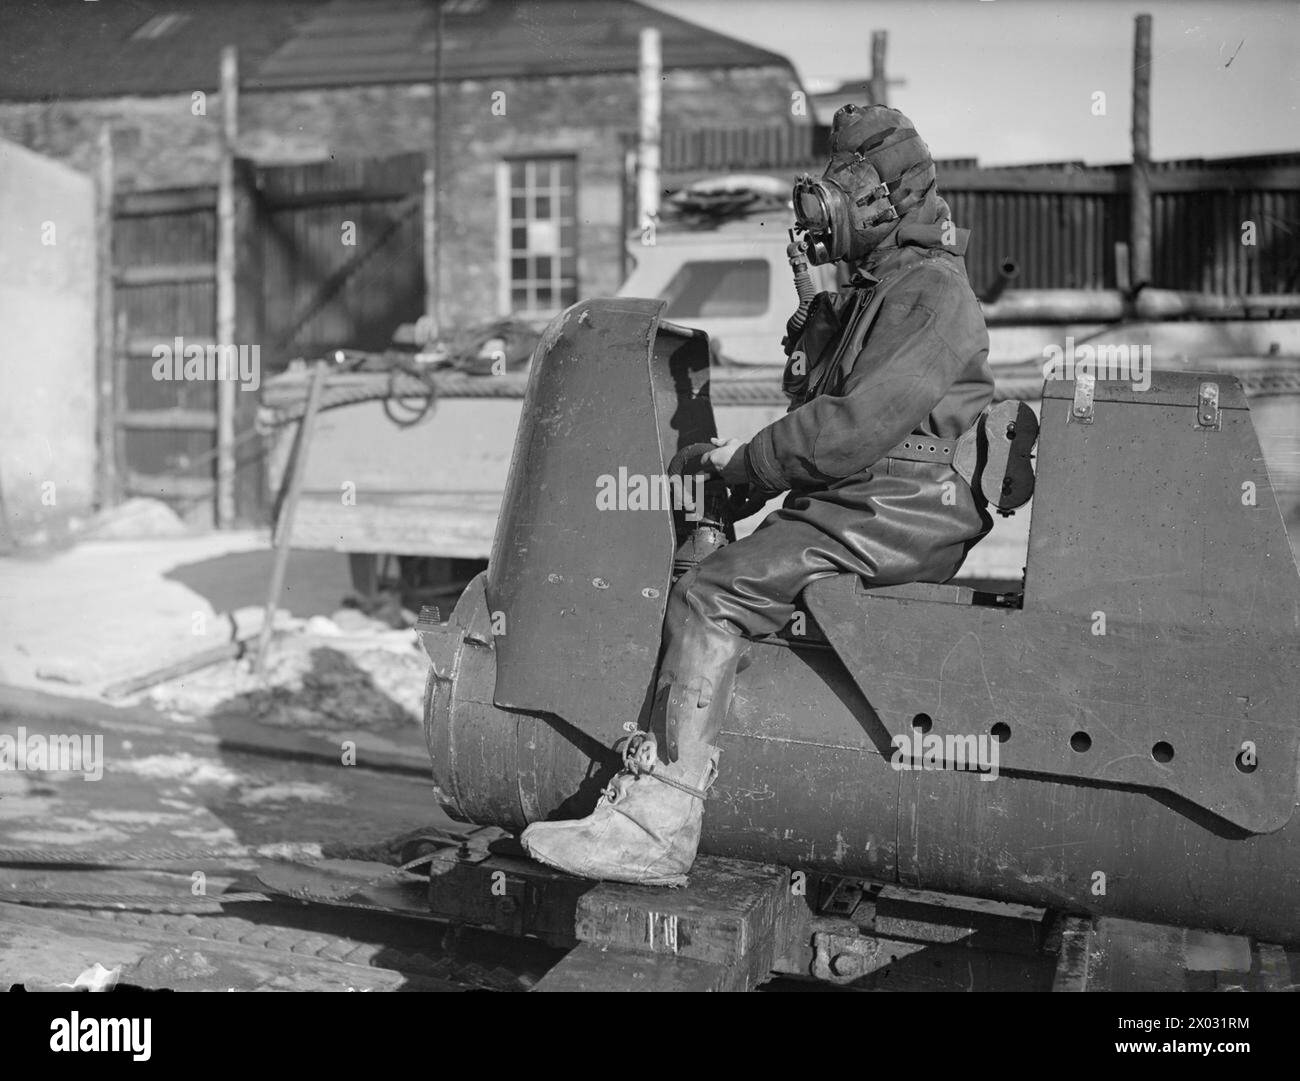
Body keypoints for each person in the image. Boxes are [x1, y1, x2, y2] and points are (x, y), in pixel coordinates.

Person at [520, 104, 995, 886]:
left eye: (844, 187)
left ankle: (660, 820)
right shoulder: (885, 287)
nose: (825, 209)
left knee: (713, 591)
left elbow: (844, 432)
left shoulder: (930, 292)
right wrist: (817, 305)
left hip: (900, 507)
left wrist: (744, 468)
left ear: (884, 197)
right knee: (721, 547)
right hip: (873, 497)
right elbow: (812, 408)